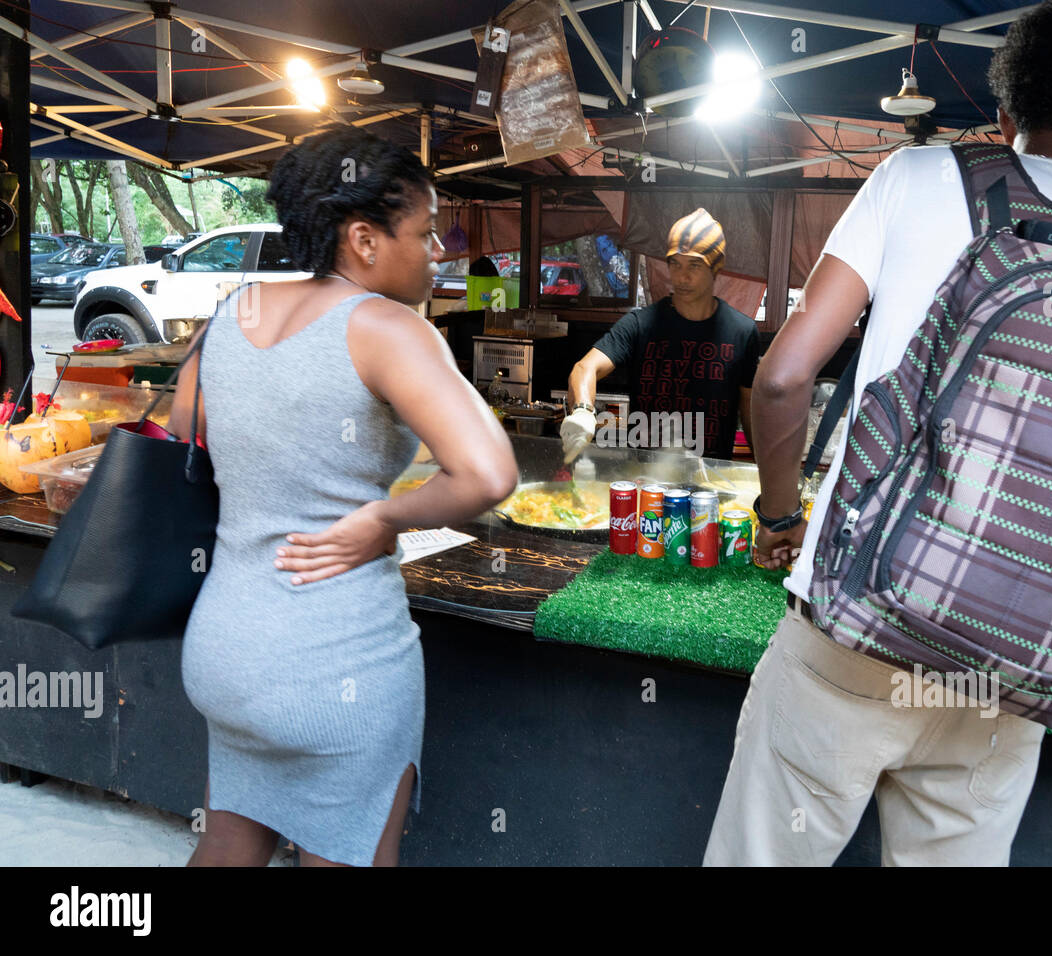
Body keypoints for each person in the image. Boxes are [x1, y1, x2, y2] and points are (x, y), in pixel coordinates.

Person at [704, 0, 1052, 866]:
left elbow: (782, 378)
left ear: (1006, 117)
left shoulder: (918, 177)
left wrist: (781, 519)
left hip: (857, 616)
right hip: (1012, 668)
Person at [168, 125, 518, 867]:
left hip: (226, 649)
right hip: (335, 666)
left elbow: (181, 432)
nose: (438, 252)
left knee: (230, 839)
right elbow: (487, 475)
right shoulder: (390, 329)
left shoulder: (237, 311)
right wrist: (384, 518)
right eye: (425, 234)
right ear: (363, 238)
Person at [560, 208, 760, 462]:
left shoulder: (741, 332)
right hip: (645, 481)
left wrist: (765, 472)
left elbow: (751, 410)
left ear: (716, 267)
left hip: (710, 485)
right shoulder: (641, 324)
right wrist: (583, 412)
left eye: (695, 265)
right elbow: (584, 367)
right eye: (675, 264)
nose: (682, 276)